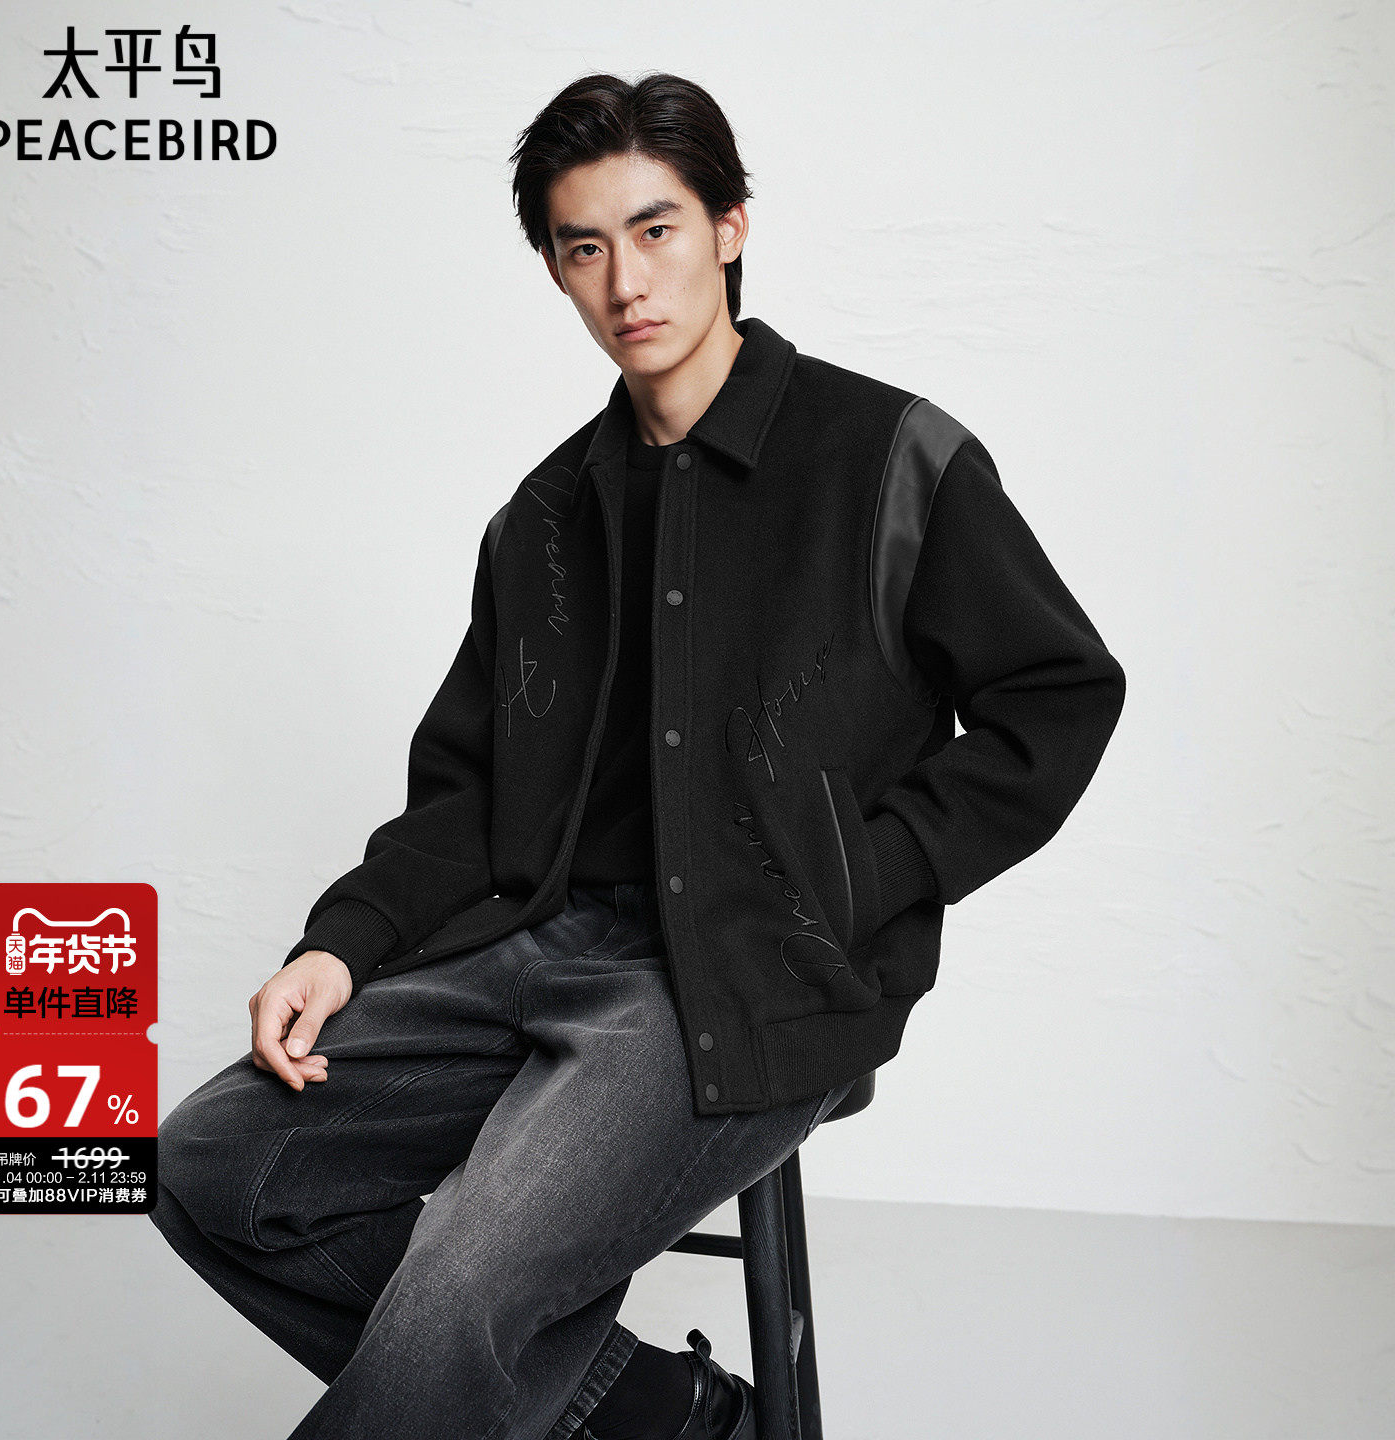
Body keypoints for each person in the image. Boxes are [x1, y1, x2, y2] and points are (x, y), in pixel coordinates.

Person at [149, 71, 1126, 1440]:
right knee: (208, 1164)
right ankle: (656, 1413)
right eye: (583, 247)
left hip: (748, 973)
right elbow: (470, 791)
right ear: (555, 270)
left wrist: (864, 869)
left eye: (656, 229)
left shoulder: (888, 457)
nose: (626, 281)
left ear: (729, 226)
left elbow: (1057, 693)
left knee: (463, 1281)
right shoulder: (544, 517)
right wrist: (341, 943)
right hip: (532, 947)